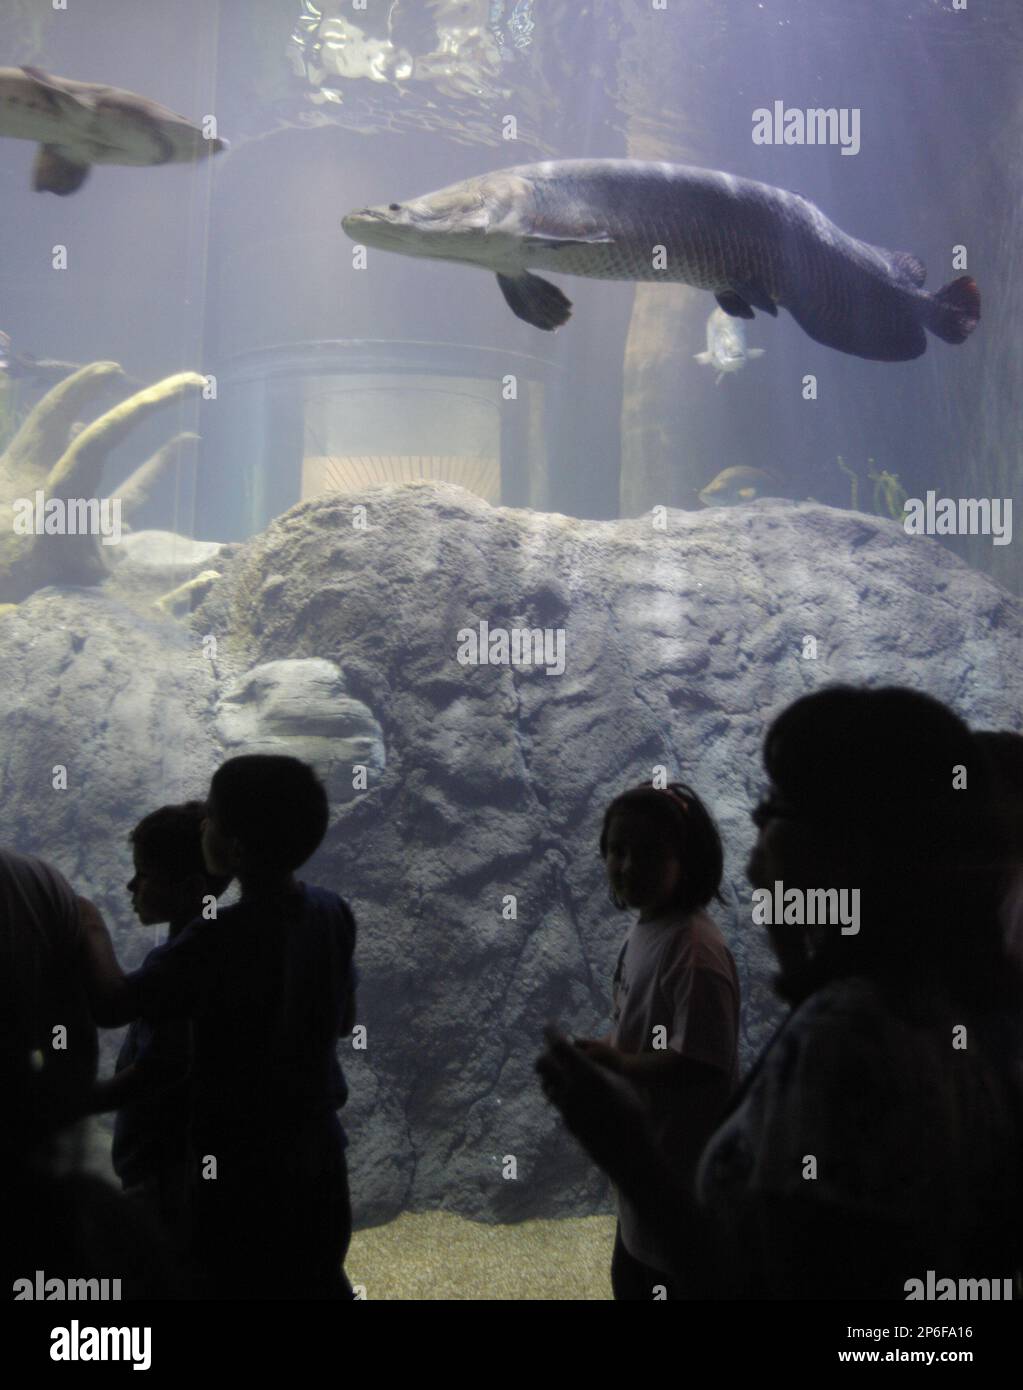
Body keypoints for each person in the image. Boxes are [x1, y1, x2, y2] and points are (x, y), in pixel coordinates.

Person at [539, 686, 1023, 1299]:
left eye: (776, 807)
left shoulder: (850, 1037)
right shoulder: (955, 1007)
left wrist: (626, 1150)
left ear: (847, 846)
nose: (757, 839)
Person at [79, 755, 358, 1300]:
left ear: (232, 852)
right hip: (320, 1153)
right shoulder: (333, 912)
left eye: (213, 818)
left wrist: (85, 925)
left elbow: (114, 1003)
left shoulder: (215, 941)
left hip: (236, 1171)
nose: (203, 822)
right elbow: (344, 1020)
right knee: (316, 1279)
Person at [574, 782, 739, 1299]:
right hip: (647, 1191)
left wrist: (617, 1064)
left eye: (649, 852)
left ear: (687, 861)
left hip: (683, 1194)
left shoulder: (694, 951)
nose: (627, 865)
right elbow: (641, 1029)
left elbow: (703, 1063)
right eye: (618, 850)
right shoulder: (649, 929)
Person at [89, 802, 232, 1240]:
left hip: (168, 1178)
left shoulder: (186, 957)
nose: (131, 886)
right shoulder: (223, 943)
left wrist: (87, 926)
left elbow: (114, 1009)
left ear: (191, 888)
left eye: (144, 875)